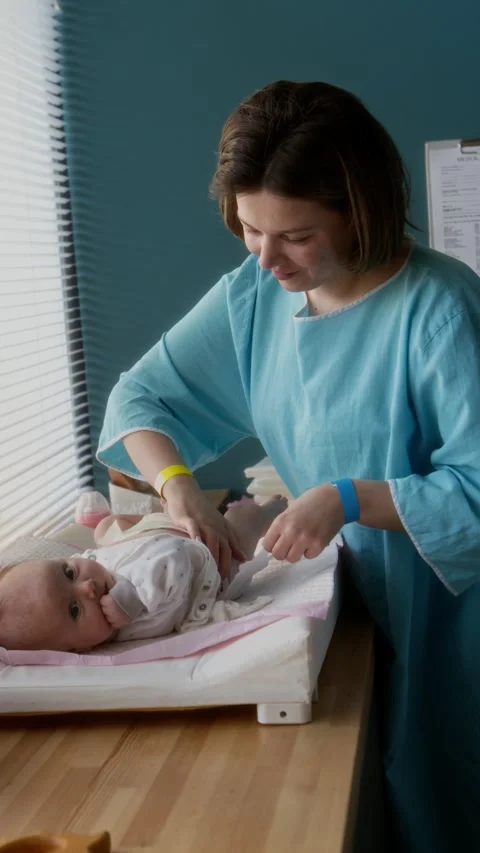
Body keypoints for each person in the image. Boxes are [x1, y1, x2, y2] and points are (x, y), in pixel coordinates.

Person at [97, 79, 480, 851]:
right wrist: (180, 493)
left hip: (455, 624)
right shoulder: (255, 296)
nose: (267, 258)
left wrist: (345, 497)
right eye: (248, 229)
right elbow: (139, 399)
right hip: (355, 617)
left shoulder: (440, 308)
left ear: (360, 209)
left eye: (296, 236)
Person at [0, 497, 286, 652]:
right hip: (211, 565)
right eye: (74, 610)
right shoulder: (113, 633)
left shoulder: (124, 591)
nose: (87, 587)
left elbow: (172, 555)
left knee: (105, 529)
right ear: (76, 651)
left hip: (179, 543)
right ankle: (260, 511)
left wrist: (134, 596)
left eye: (68, 572)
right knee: (242, 534)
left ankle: (263, 510)